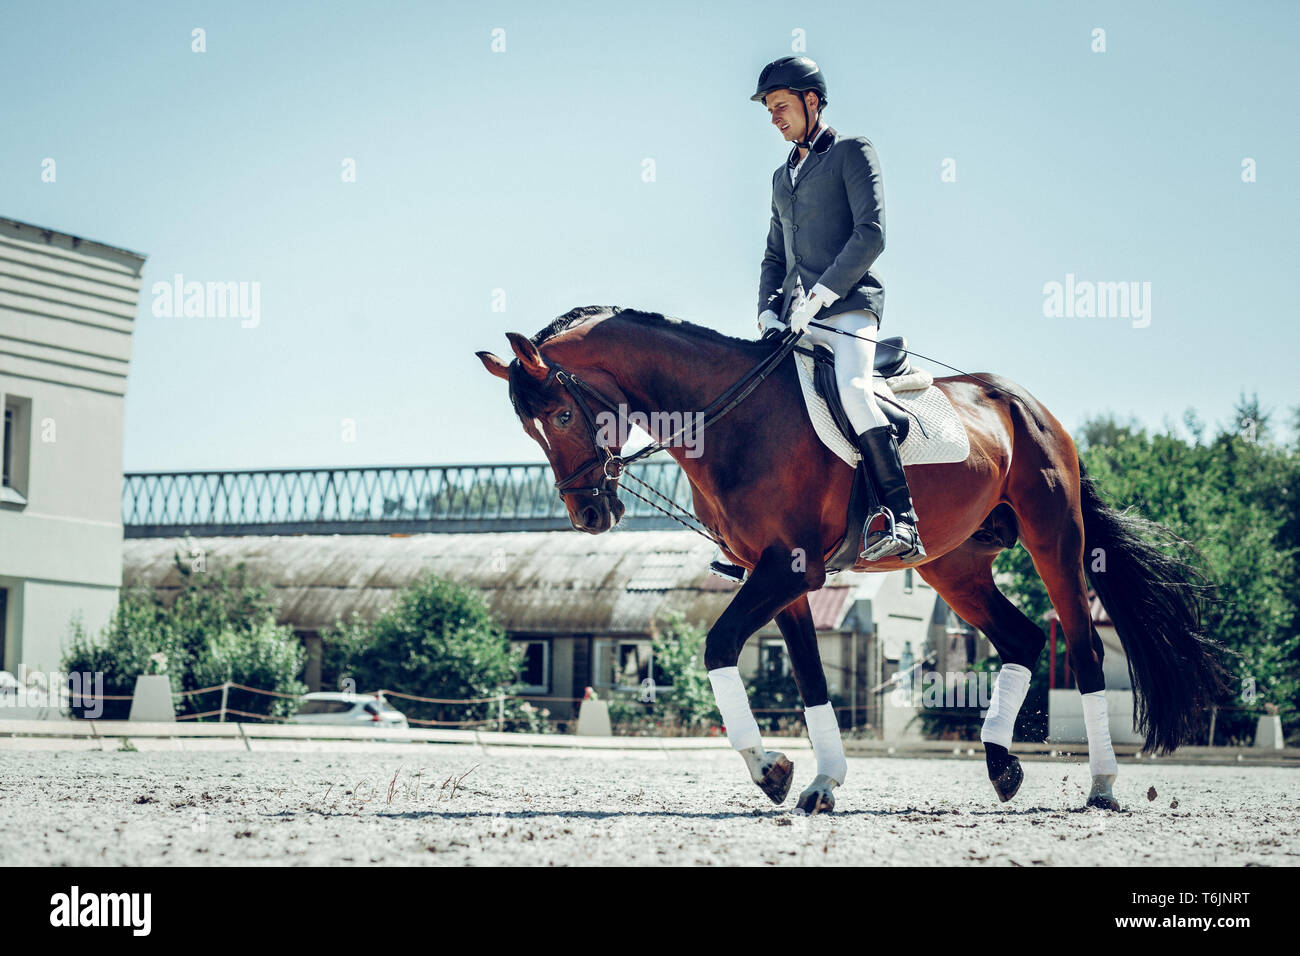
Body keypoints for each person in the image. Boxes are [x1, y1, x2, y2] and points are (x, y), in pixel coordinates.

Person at [753, 55, 924, 564]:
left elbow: (871, 233)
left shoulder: (853, 151)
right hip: (793, 320)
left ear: (811, 100)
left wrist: (823, 295)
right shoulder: (781, 177)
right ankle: (752, 534)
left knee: (853, 392)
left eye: (781, 106)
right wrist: (767, 310)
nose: (775, 117)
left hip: (849, 309)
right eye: (769, 110)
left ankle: (903, 517)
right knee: (758, 402)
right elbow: (773, 255)